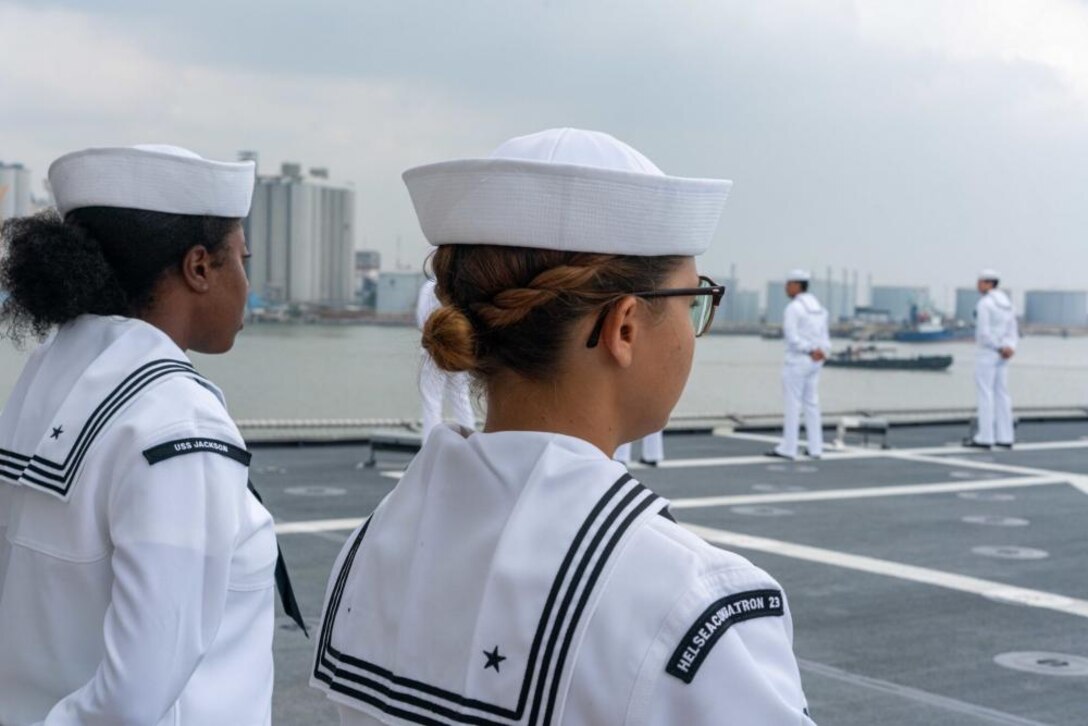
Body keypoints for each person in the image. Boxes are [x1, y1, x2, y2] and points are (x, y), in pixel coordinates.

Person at [311, 128, 815, 725]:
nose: (693, 326)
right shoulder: (695, 607)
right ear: (624, 326)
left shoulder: (372, 546)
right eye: (694, 300)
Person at [0, 145, 283, 725]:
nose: (246, 282)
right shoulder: (179, 419)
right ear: (199, 267)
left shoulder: (48, 374)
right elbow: (134, 698)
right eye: (241, 258)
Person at [768, 269, 831, 460]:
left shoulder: (793, 308)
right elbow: (825, 338)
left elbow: (792, 337)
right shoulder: (820, 309)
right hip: (815, 362)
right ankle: (815, 448)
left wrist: (809, 350)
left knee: (792, 404)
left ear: (797, 285)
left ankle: (789, 448)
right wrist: (821, 353)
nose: (786, 288)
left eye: (788, 284)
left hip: (797, 361)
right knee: (812, 403)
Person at [416, 278, 476, 438]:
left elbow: (422, 320)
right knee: (461, 400)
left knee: (431, 403)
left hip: (433, 353)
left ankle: (430, 451)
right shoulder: (460, 287)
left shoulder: (429, 288)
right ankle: (470, 446)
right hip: (457, 351)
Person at [965, 269, 1018, 449]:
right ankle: (1005, 436)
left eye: (980, 281)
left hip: (987, 353)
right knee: (1002, 394)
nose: (978, 285)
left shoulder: (985, 304)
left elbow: (983, 334)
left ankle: (985, 437)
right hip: (1003, 355)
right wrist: (1009, 347)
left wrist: (998, 347)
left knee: (985, 394)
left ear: (989, 283)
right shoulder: (1008, 305)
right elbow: (1013, 331)